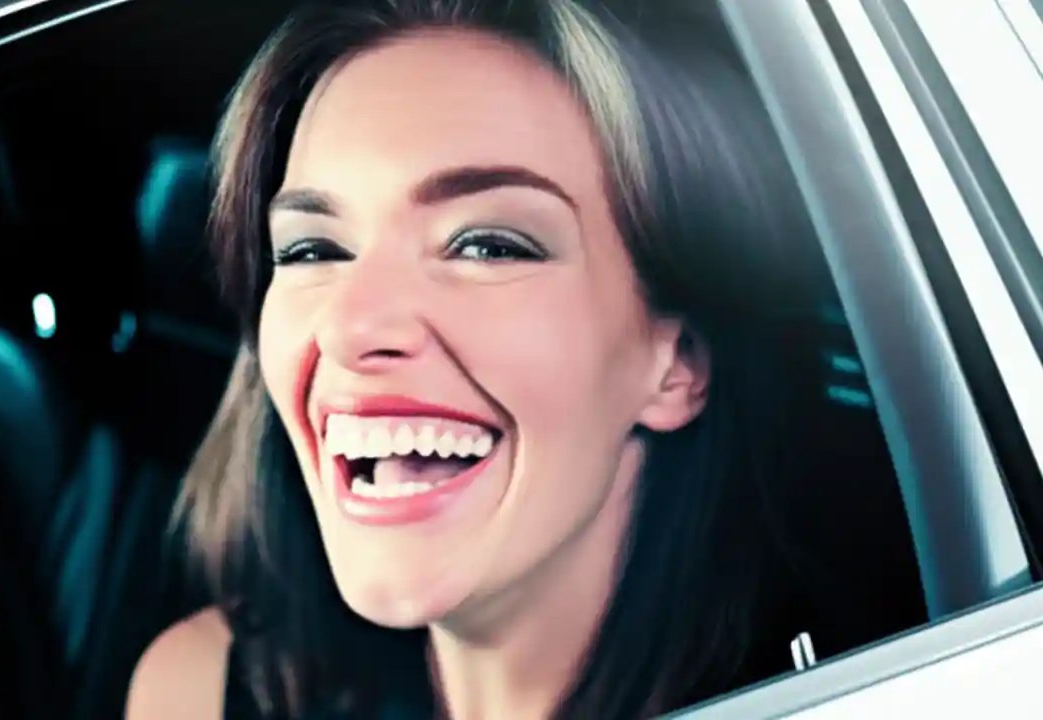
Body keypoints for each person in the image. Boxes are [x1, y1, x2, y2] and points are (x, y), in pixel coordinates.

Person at [128, 0, 820, 717]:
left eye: (487, 244)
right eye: (314, 250)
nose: (350, 325)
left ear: (676, 364)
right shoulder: (197, 690)